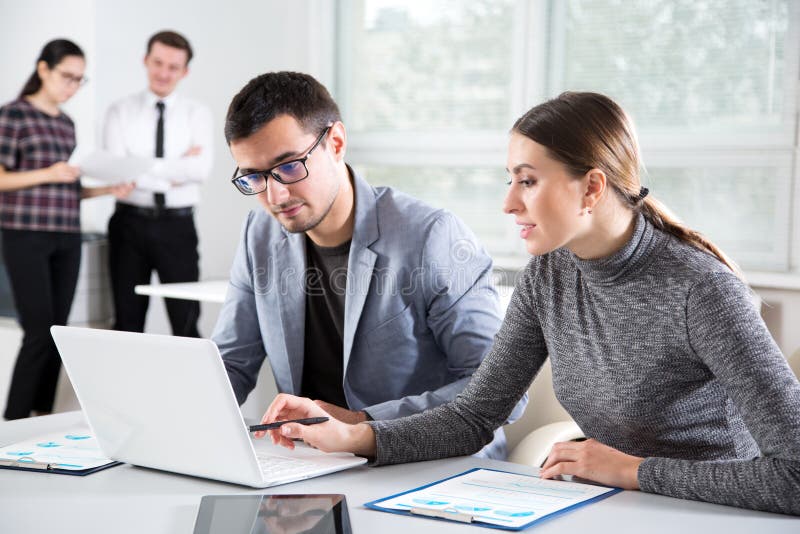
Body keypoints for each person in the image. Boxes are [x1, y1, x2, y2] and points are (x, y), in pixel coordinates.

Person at [258, 92, 800, 515]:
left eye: (528, 181)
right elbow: (476, 416)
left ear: (591, 188)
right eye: (509, 179)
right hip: (616, 508)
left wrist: (633, 471)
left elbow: (792, 475)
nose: (508, 202)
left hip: (716, 516)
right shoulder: (549, 275)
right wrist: (354, 434)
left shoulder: (701, 289)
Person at [213, 71, 526, 459]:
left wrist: (361, 423)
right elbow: (230, 365)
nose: (275, 194)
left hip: (432, 464)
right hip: (313, 464)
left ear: (337, 143)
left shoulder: (432, 237)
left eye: (290, 166)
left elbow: (500, 394)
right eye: (254, 177)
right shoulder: (259, 234)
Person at [0, 39, 133, 420]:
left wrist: (110, 188)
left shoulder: (65, 124)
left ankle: (41, 415)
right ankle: (13, 419)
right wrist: (49, 172)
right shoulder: (13, 115)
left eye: (79, 79)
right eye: (67, 76)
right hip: (25, 235)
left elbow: (69, 190)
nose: (72, 86)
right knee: (38, 330)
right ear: (43, 69)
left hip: (67, 235)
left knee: (58, 332)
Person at [103, 30, 212, 336]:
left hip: (177, 228)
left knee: (186, 322)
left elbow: (200, 170)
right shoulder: (119, 111)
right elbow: (119, 173)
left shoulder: (197, 114)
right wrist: (176, 167)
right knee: (126, 323)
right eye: (158, 62)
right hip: (128, 226)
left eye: (173, 67)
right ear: (145, 60)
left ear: (185, 71)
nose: (163, 73)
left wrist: (143, 169)